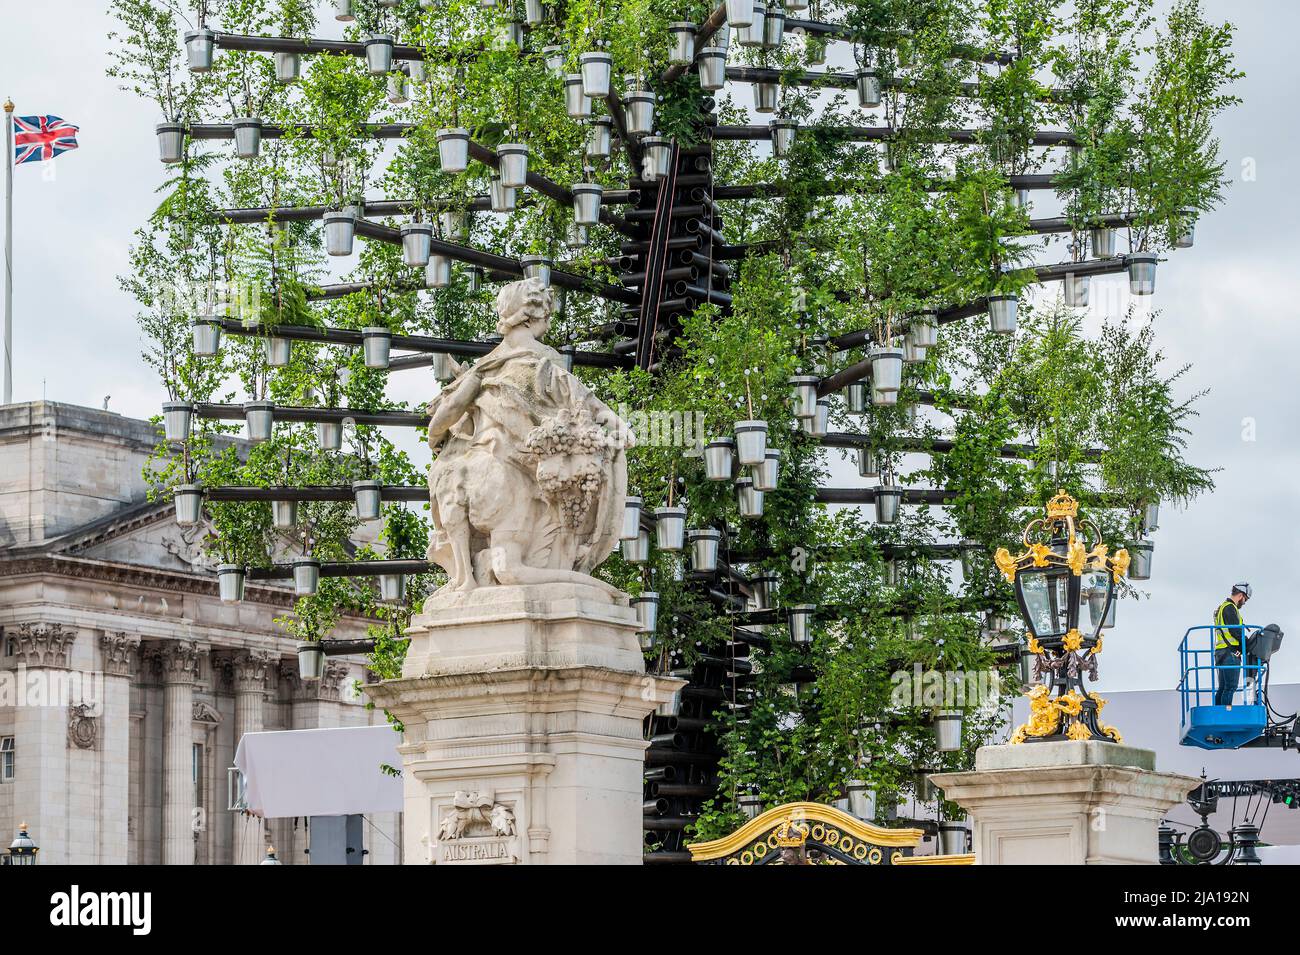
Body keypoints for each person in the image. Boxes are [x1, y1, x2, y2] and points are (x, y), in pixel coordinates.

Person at [1213, 583, 1252, 706]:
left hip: (1221, 652)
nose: (1244, 602)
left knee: (1223, 687)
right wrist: (1247, 644)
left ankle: (1218, 713)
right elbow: (1235, 631)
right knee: (1230, 687)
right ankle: (1225, 713)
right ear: (1240, 595)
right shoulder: (1230, 608)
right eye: (1245, 599)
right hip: (1230, 653)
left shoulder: (1222, 607)